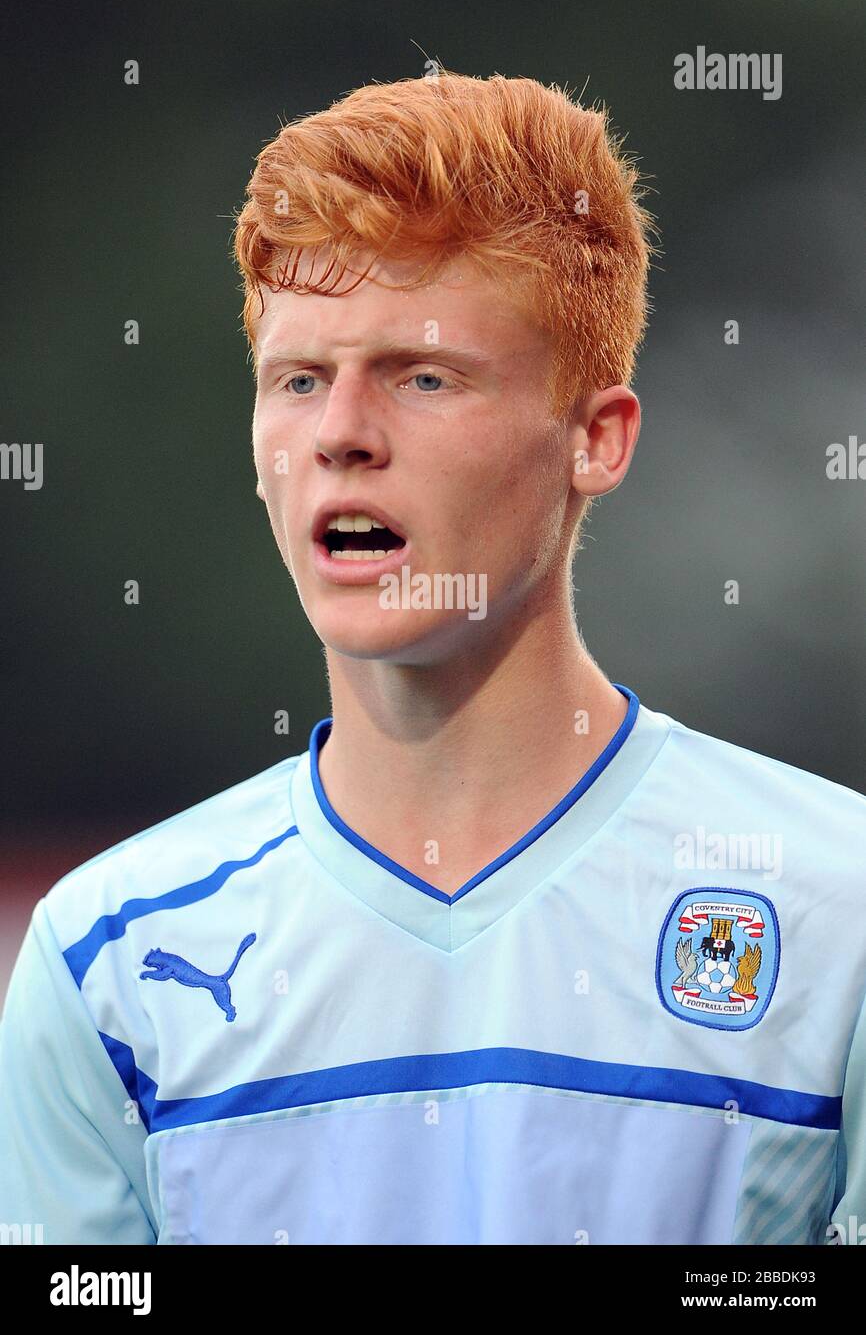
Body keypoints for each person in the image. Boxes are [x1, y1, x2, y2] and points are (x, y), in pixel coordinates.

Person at [1, 71, 863, 1245]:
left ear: (594, 439)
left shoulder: (836, 912)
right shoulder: (108, 959)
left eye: (422, 376)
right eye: (299, 380)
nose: (340, 434)